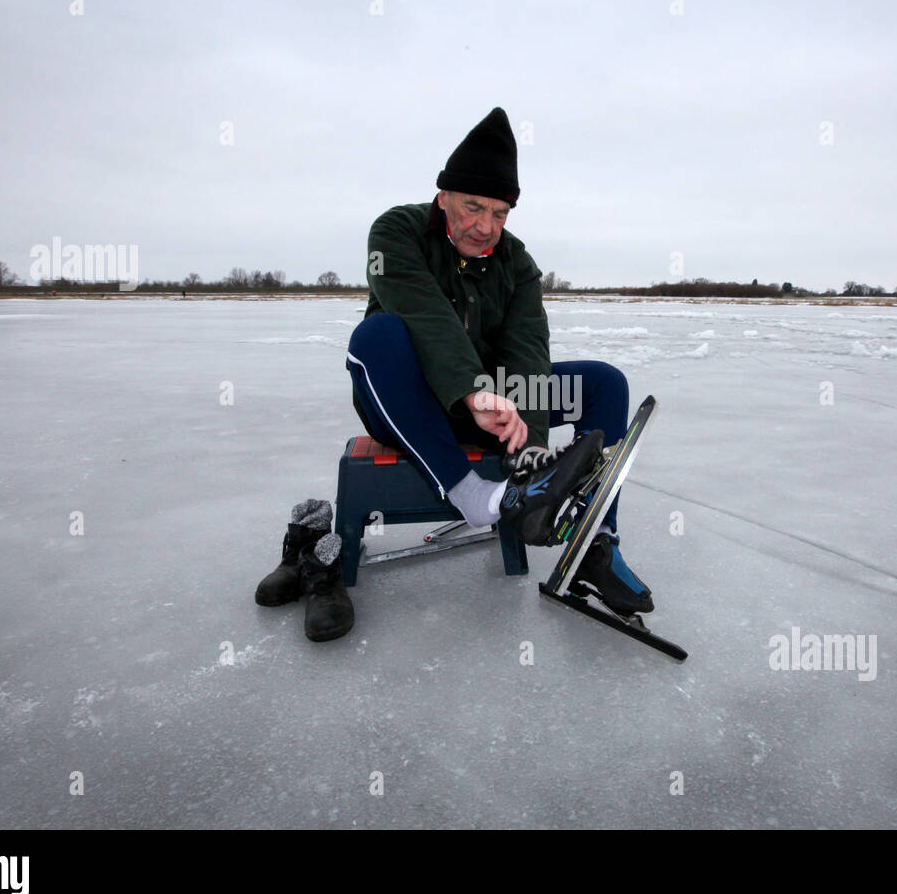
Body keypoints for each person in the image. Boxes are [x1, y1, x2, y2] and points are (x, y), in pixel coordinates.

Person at [259, 108, 654, 642]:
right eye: (473, 207)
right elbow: (426, 315)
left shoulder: (517, 263)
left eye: (500, 213)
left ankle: (593, 544)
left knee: (605, 383)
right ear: (443, 195)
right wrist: (473, 391)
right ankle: (474, 495)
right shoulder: (396, 230)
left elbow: (527, 350)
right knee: (376, 338)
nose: (485, 226)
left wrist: (529, 444)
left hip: (498, 406)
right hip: (410, 404)